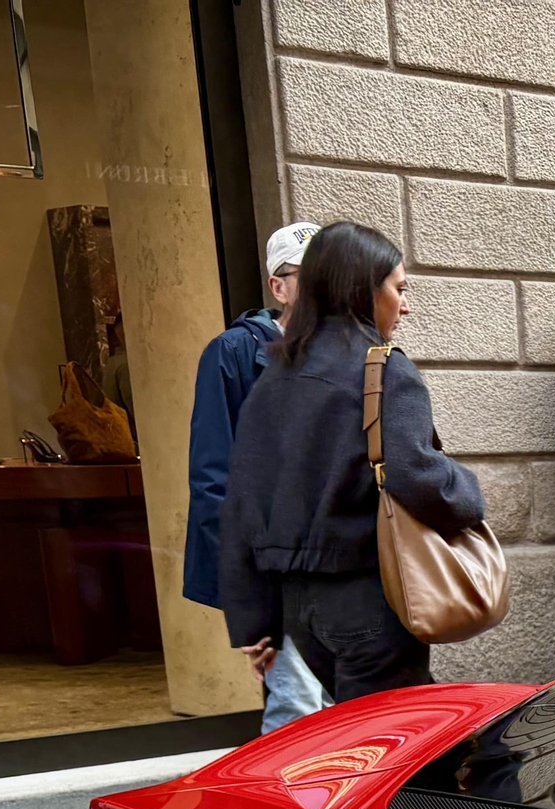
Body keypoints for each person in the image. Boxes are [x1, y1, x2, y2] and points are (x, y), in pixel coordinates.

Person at [221, 222, 485, 700]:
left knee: (372, 726)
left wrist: (253, 621)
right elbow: (418, 478)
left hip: (299, 609)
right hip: (366, 594)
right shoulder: (381, 368)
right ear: (363, 290)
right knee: (392, 735)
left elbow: (242, 498)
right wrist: (469, 492)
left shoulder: (276, 373)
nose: (406, 305)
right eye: (399, 289)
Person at [185, 220, 324, 732]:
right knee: (298, 711)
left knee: (350, 717)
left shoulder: (353, 353)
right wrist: (243, 594)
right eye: (308, 276)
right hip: (278, 569)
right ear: (278, 286)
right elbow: (213, 477)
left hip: (343, 570)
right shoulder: (234, 353)